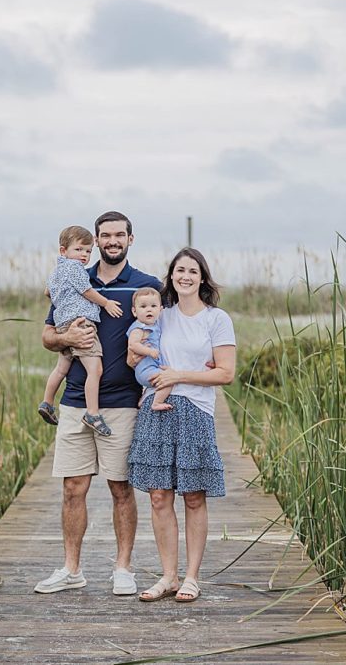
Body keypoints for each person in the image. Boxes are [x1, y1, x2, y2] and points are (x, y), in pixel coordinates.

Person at [34, 211, 161, 597]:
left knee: (121, 488)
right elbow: (47, 336)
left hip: (123, 403)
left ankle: (123, 568)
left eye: (119, 235)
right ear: (95, 240)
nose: (112, 241)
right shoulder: (74, 277)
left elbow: (171, 332)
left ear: (130, 239)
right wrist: (66, 337)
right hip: (75, 401)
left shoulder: (146, 286)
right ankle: (72, 569)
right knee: (73, 488)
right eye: (105, 235)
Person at [128, 248, 235, 604]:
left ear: (202, 277)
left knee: (193, 495)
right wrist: (140, 363)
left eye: (192, 271)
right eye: (179, 270)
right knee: (159, 496)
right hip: (157, 409)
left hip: (195, 411)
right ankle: (168, 576)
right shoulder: (161, 314)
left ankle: (191, 577)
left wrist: (180, 375)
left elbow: (226, 373)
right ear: (171, 276)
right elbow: (134, 353)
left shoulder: (216, 319)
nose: (185, 276)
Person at [39, 225, 124, 435]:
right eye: (78, 250)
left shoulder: (56, 271)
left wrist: (64, 299)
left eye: (88, 251)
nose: (84, 255)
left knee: (61, 369)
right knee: (95, 370)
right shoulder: (76, 268)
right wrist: (106, 303)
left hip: (63, 326)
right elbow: (87, 291)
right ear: (63, 250)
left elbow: (47, 292)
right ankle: (92, 413)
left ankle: (47, 402)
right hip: (82, 323)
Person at [126, 286, 174, 411]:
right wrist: (149, 351)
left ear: (160, 309)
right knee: (168, 380)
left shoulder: (156, 325)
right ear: (134, 311)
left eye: (153, 306)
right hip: (145, 370)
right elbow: (133, 345)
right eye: (143, 306)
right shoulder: (139, 328)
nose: (149, 309)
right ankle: (156, 403)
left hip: (152, 367)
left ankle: (147, 394)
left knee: (164, 377)